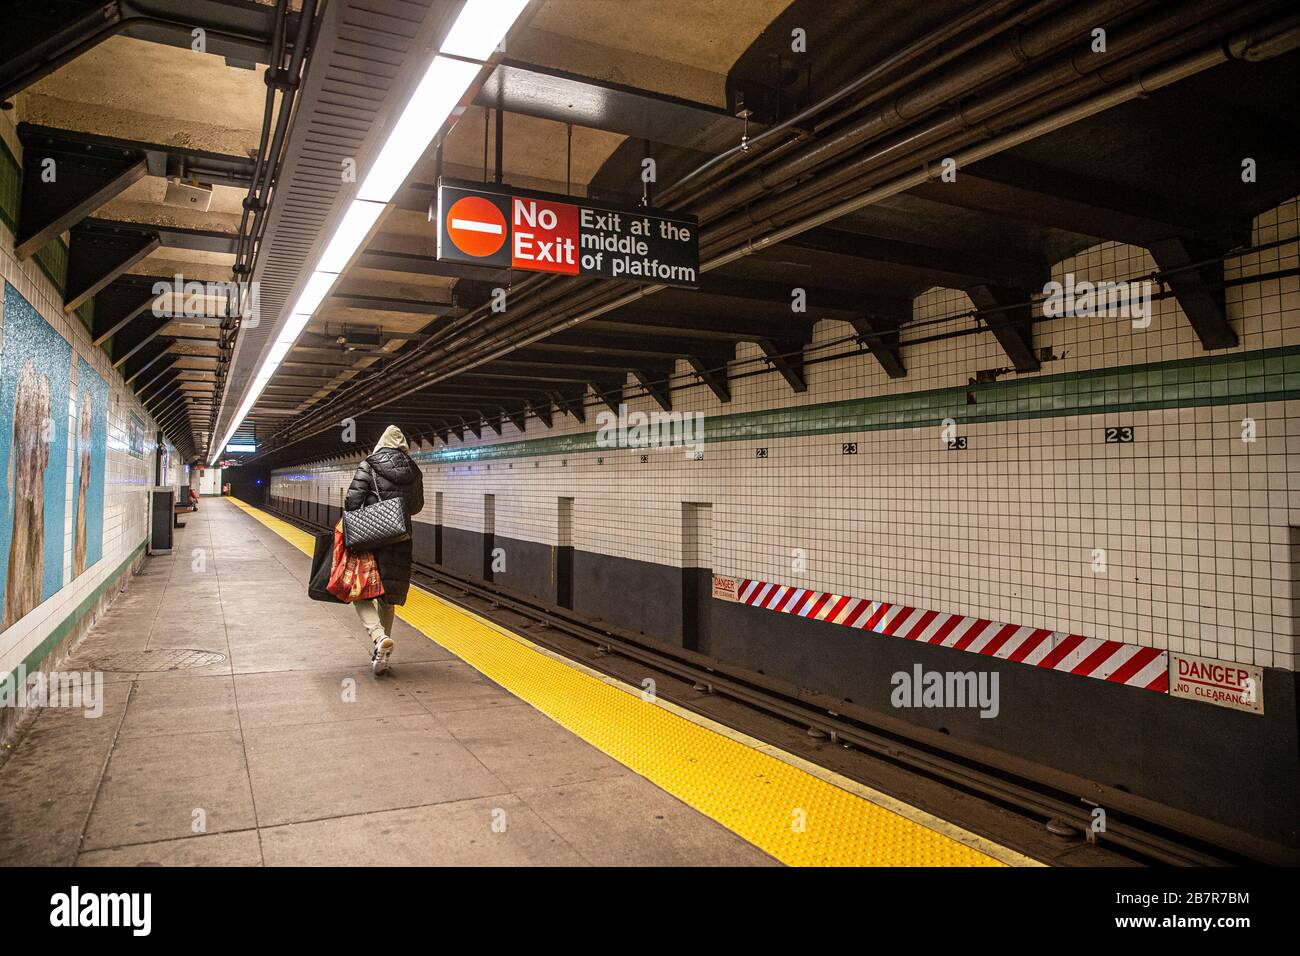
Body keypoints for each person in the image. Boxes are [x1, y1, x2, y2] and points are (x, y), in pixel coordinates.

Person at [344, 425, 423, 674]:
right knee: (387, 598)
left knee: (359, 591)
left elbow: (352, 501)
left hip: (370, 538)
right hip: (399, 538)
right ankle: (382, 654)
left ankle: (379, 638)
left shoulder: (369, 464)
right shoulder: (414, 470)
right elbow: (416, 506)